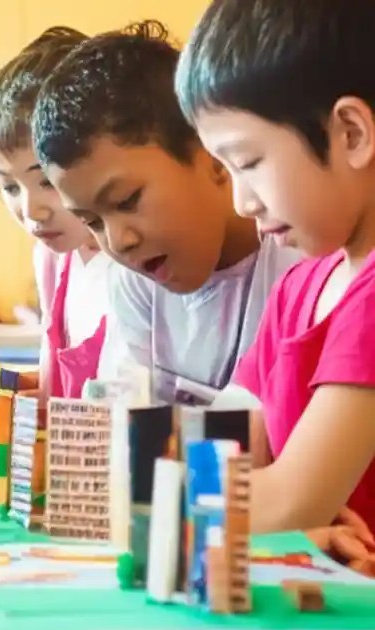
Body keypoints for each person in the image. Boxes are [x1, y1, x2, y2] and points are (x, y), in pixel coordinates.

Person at [177, 0, 375, 534]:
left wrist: (154, 496)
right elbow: (220, 443)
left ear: (351, 134)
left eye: (248, 163)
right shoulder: (297, 289)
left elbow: (290, 501)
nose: (242, 202)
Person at [30, 20, 303, 405]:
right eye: (92, 222)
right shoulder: (134, 281)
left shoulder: (300, 258)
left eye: (127, 200)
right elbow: (120, 417)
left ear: (211, 155)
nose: (118, 242)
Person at [0, 26, 112, 399]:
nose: (31, 210)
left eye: (47, 181)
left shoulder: (135, 264)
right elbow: (52, 399)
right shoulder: (51, 260)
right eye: (9, 187)